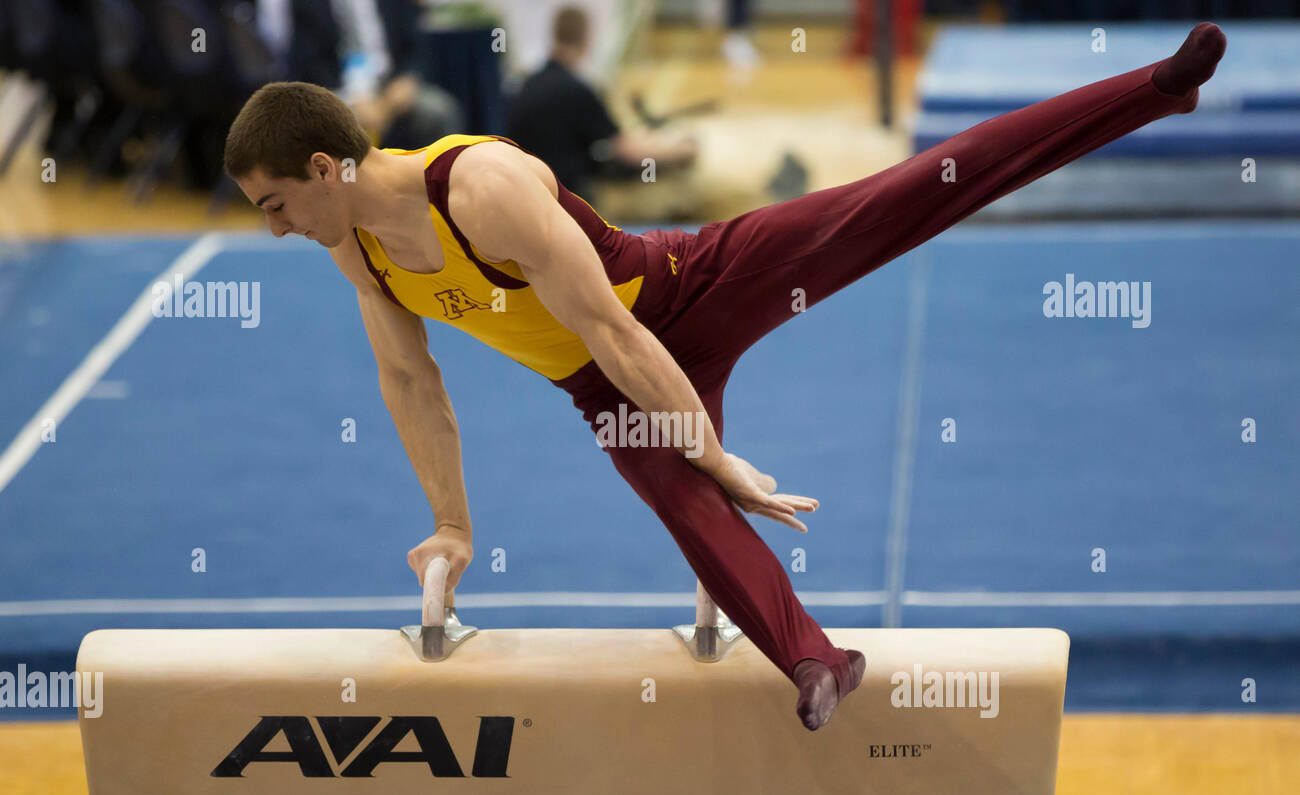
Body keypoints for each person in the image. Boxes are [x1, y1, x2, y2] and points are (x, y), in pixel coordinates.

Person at [222, 24, 1226, 730]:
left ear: (326, 167)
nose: (276, 231)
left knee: (908, 193)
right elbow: (412, 384)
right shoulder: (355, 247)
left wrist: (716, 455)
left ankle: (1151, 90)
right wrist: (454, 525)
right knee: (692, 518)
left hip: (692, 287)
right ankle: (816, 662)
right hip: (609, 388)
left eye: (276, 206)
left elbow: (614, 329)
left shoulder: (479, 185)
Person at [505, 5, 697, 200]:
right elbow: (626, 149)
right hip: (565, 198)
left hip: (524, 192)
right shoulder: (577, 91)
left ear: (555, 35)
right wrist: (679, 150)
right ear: (587, 41)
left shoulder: (526, 84)